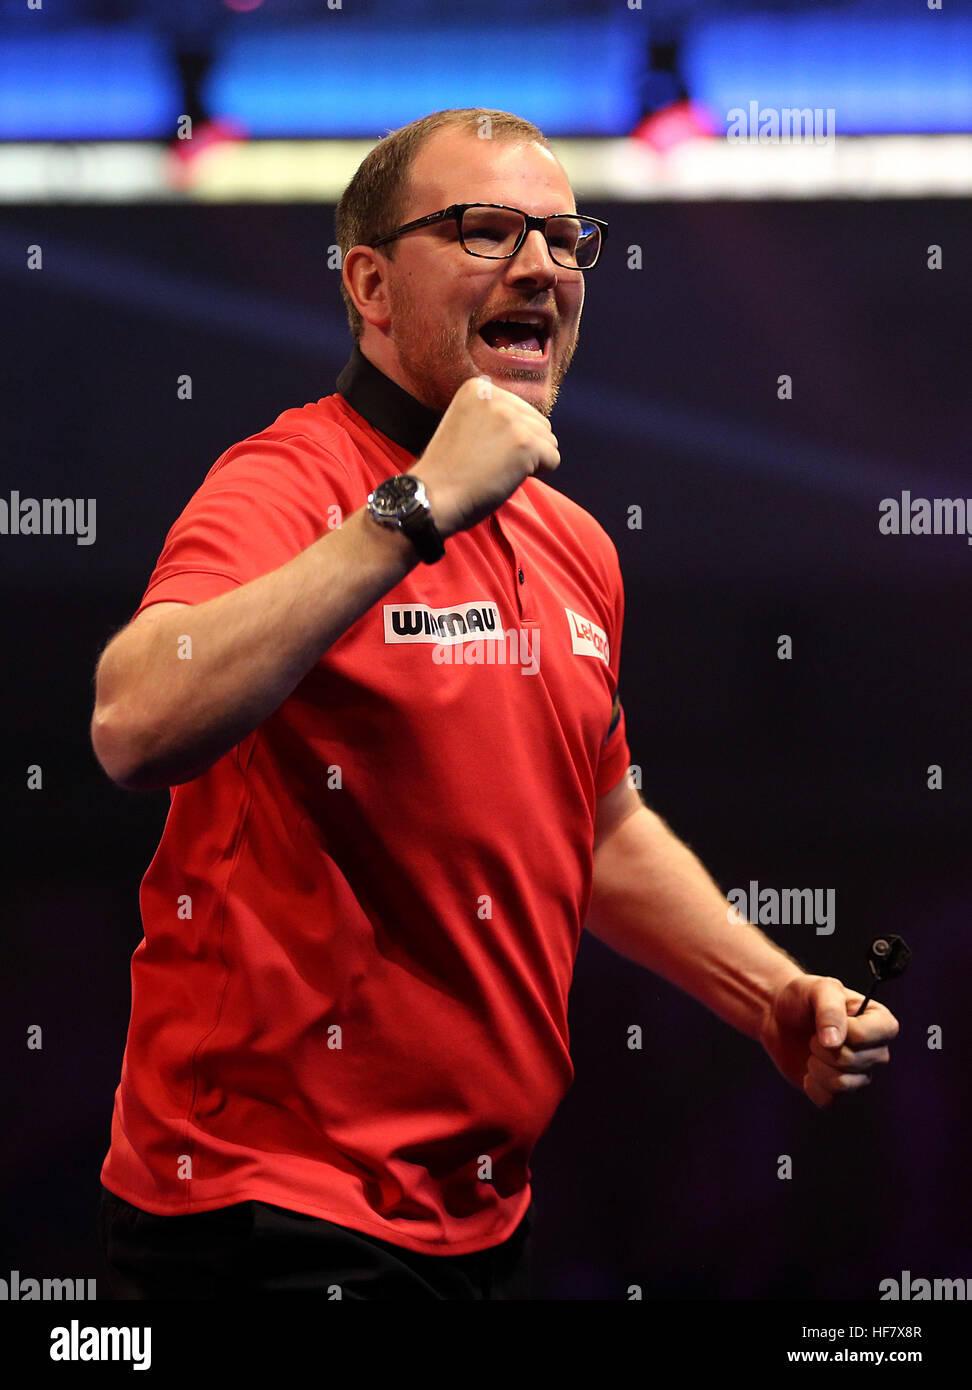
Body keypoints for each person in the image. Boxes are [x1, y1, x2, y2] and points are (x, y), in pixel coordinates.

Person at [90, 107, 899, 1301]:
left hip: (472, 1217)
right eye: (484, 231)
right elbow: (133, 723)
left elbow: (600, 825)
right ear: (368, 282)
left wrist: (767, 993)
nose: (540, 268)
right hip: (265, 1207)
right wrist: (412, 510)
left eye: (566, 239)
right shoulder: (289, 481)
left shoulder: (573, 544)